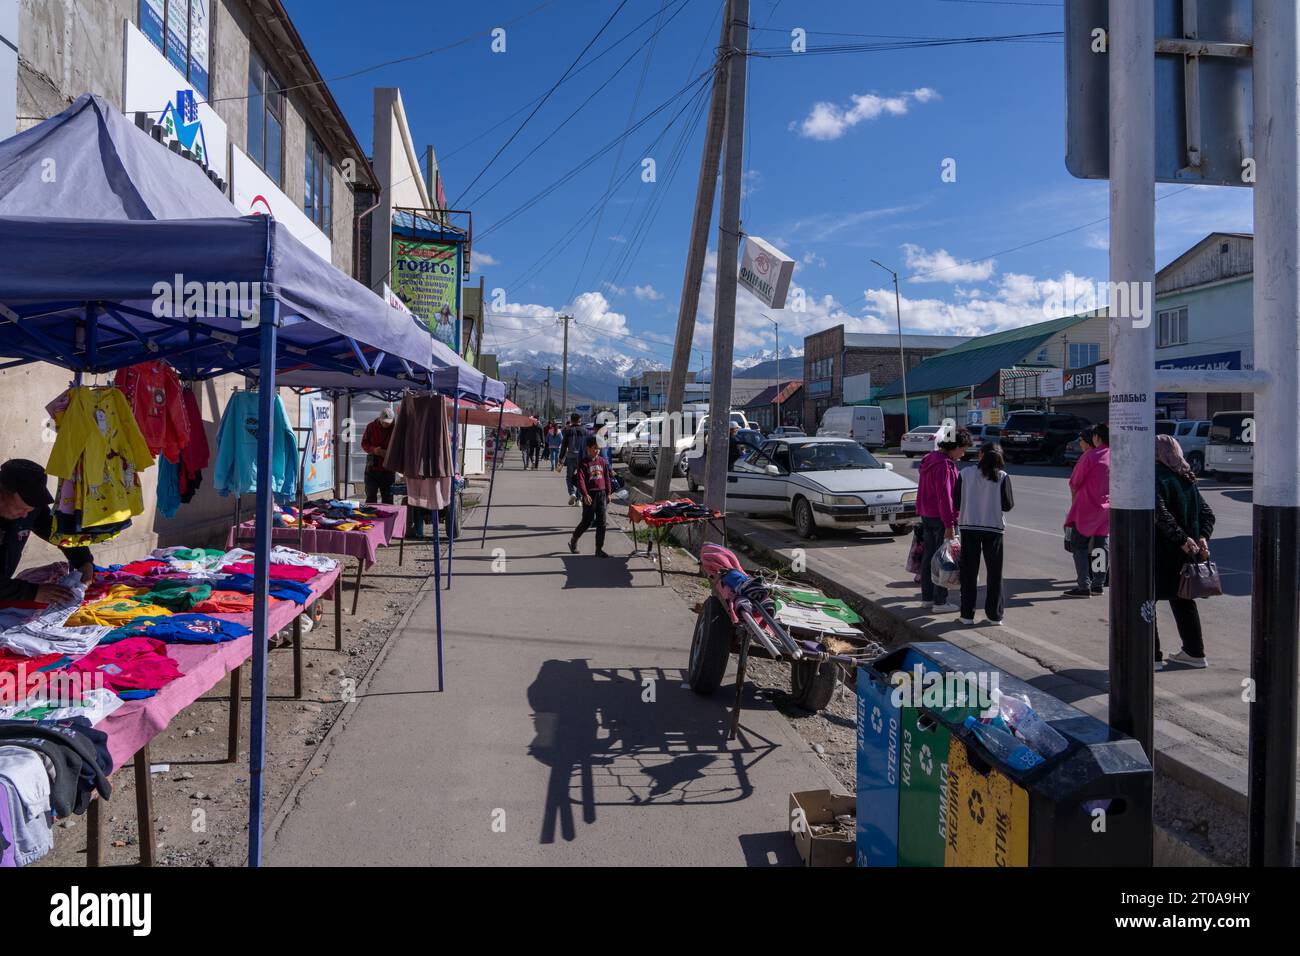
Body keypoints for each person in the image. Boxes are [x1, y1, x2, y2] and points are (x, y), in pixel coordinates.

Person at [1154, 434, 1214, 668]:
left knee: (1146, 600)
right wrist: (1202, 538)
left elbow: (1159, 513)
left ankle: (1151, 655)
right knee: (1183, 600)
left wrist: (1180, 538)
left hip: (1160, 551)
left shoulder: (1156, 477)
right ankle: (1195, 652)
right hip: (1187, 556)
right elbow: (1207, 514)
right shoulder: (1187, 478)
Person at [0, 458, 95, 605]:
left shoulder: (30, 509)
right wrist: (33, 592)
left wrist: (84, 560)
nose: (25, 515)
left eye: (29, 510)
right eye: (21, 509)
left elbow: (56, 531)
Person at [953, 442, 1015, 626]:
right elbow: (1007, 505)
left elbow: (956, 503)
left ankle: (966, 616)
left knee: (969, 573)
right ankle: (995, 616)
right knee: (995, 574)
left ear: (980, 454)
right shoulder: (1002, 476)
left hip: (969, 527)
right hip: (993, 528)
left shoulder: (965, 474)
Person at [916, 426, 972, 613]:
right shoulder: (944, 465)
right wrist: (949, 525)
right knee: (944, 560)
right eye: (962, 449)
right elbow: (945, 497)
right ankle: (940, 602)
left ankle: (927, 598)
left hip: (927, 515)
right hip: (941, 518)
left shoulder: (930, 459)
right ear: (953, 445)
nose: (962, 454)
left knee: (930, 557)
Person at [1064, 424, 1110, 597]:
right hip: (1106, 508)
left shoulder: (1090, 456)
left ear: (1096, 437)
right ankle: (1098, 583)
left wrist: (1074, 502)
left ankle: (1084, 585)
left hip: (1086, 508)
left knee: (1079, 545)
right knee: (1101, 545)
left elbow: (1074, 483)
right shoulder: (1115, 455)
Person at [568, 436, 612, 557]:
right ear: (588, 449)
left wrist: (608, 493)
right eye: (594, 448)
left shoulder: (602, 461)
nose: (597, 451)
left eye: (598, 449)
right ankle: (574, 539)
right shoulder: (583, 463)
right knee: (586, 522)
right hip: (589, 495)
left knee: (602, 523)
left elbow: (607, 478)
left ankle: (599, 549)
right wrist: (585, 494)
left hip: (601, 494)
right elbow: (580, 480)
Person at [361, 407, 396, 504]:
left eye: (388, 422)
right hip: (372, 469)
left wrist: (388, 453)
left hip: (388, 470)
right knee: (371, 497)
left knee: (388, 499)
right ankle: (371, 518)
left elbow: (400, 447)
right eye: (384, 422)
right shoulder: (371, 427)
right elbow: (364, 444)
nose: (386, 424)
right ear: (380, 419)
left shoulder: (396, 429)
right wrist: (374, 450)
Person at [560, 413, 590, 506]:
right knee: (581, 478)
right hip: (582, 458)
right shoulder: (585, 431)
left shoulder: (568, 431)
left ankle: (572, 493)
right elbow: (587, 446)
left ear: (571, 420)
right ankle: (579, 499)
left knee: (569, 476)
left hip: (570, 457)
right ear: (580, 420)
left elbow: (564, 446)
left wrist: (561, 458)